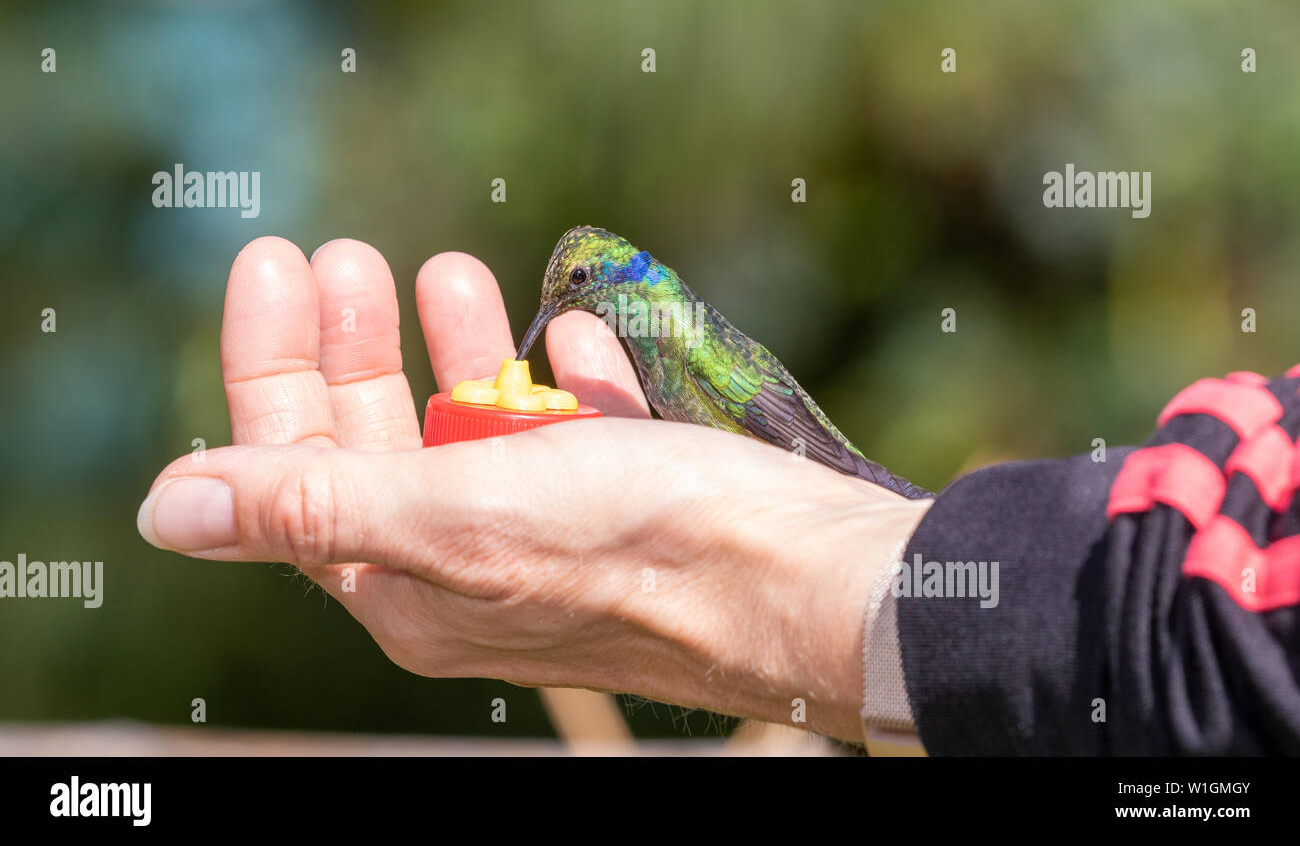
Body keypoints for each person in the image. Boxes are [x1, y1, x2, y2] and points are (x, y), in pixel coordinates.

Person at [137, 237, 1300, 754]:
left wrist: (740, 540)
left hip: (759, 426)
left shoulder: (663, 315)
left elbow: (1198, 636)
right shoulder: (629, 311)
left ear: (618, 285)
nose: (565, 314)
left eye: (575, 292)